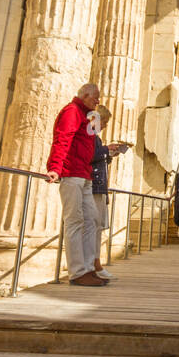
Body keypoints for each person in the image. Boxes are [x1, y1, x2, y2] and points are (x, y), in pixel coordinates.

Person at [47, 83, 106, 287]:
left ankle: (89, 268)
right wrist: (55, 167)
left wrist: (98, 121)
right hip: (71, 173)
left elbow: (92, 141)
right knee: (74, 220)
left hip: (85, 174)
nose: (98, 101)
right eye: (95, 98)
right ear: (85, 96)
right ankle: (77, 272)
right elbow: (62, 138)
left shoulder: (89, 115)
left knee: (92, 220)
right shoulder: (72, 111)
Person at [89, 108, 129, 276]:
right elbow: (89, 156)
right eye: (104, 122)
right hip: (93, 185)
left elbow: (95, 157)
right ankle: (93, 265)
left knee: (97, 227)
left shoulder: (94, 138)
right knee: (92, 227)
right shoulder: (88, 137)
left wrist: (109, 154)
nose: (105, 126)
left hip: (99, 185)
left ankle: (95, 264)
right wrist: (107, 149)